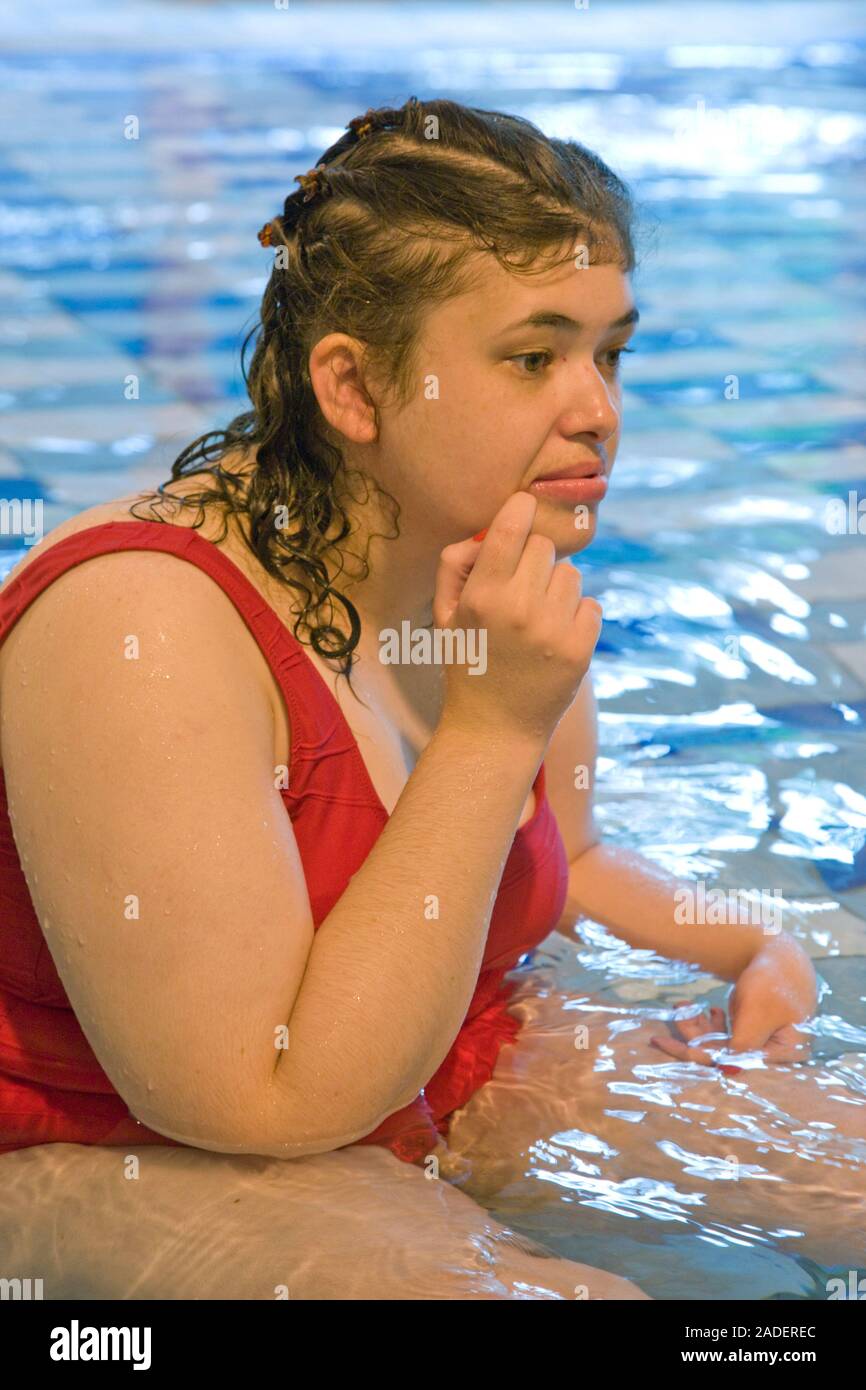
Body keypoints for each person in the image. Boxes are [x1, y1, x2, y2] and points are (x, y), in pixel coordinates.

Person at [0, 97, 849, 1302]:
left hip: (438, 1056)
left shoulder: (485, 556)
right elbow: (265, 1097)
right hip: (122, 1149)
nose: (597, 409)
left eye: (608, 353)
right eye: (531, 356)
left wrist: (753, 937)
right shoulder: (139, 624)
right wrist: (491, 728)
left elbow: (577, 853)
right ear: (351, 387)